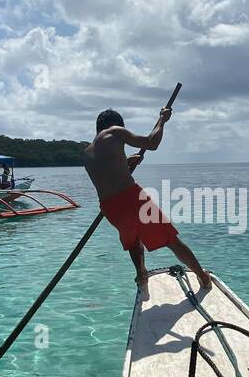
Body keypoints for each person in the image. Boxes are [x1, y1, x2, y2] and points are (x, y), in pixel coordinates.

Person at [84, 106, 212, 293]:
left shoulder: (87, 152)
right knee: (170, 239)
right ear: (117, 124)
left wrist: (126, 162)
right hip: (130, 198)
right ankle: (203, 276)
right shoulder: (114, 131)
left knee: (133, 241)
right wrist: (162, 120)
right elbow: (152, 143)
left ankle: (141, 275)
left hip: (109, 208)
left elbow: (107, 175)